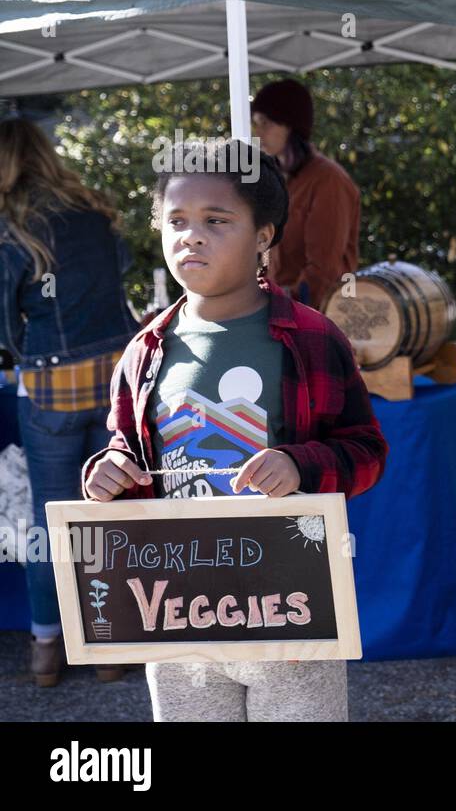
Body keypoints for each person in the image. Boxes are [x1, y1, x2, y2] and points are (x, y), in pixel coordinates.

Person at [80, 143, 387, 721]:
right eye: (176, 221)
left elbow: (366, 450)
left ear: (265, 235)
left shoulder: (312, 338)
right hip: (177, 619)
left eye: (216, 221)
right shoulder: (142, 352)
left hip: (290, 615)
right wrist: (107, 474)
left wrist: (301, 464)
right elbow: (128, 450)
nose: (190, 237)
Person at [0, 116, 139, 688]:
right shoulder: (95, 210)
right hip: (114, 377)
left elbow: (6, 323)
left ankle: (46, 650)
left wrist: (22, 355)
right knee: (104, 514)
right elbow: (122, 273)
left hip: (52, 388)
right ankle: (107, 649)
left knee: (49, 522)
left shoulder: (13, 228)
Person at [251, 78, 360, 309]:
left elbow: (323, 269)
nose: (257, 134)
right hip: (279, 312)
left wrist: (284, 307)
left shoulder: (329, 180)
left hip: (319, 318)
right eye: (255, 124)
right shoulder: (277, 178)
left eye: (266, 123)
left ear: (290, 125)